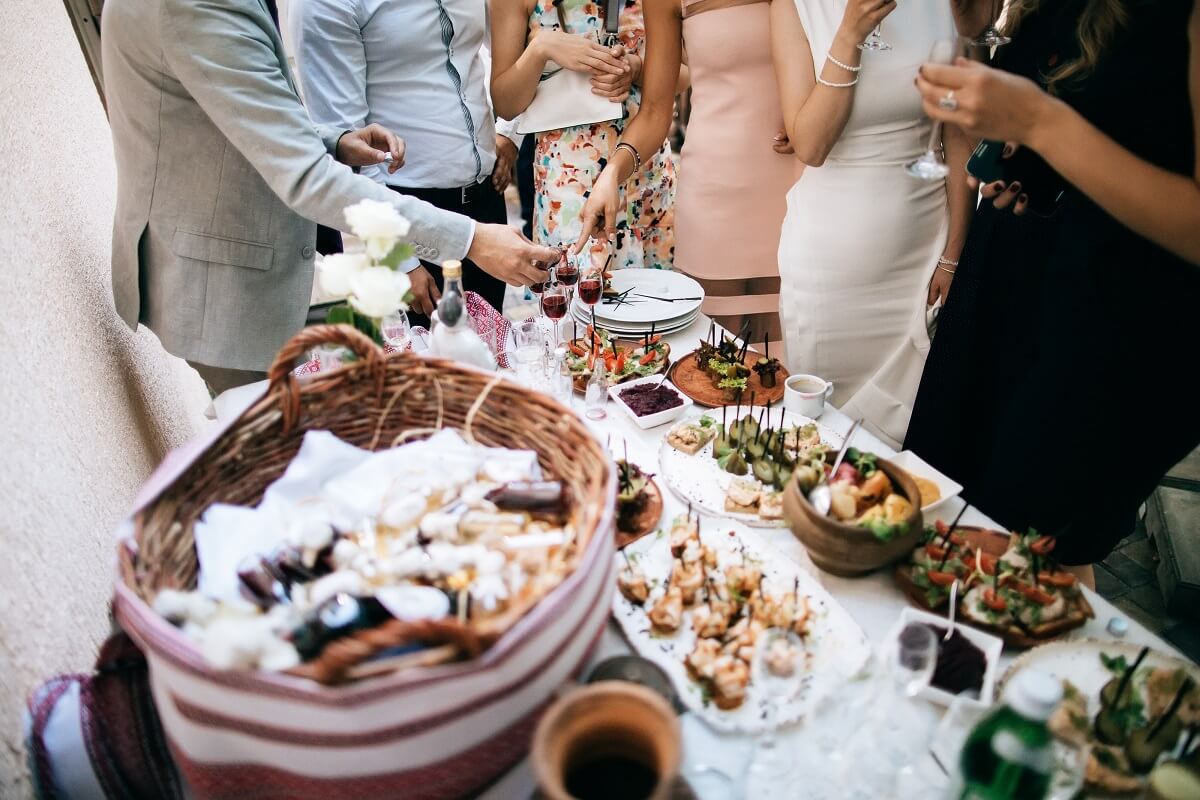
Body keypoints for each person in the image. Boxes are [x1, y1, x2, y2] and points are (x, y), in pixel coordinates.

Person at [101, 0, 555, 395]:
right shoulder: (200, 5)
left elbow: (246, 110)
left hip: (242, 272)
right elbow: (308, 178)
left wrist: (334, 140)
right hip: (218, 290)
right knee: (282, 460)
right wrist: (470, 240)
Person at [905, 0, 1200, 570]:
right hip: (1009, 287)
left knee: (1022, 559)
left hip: (1117, 329)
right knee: (943, 517)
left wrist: (1042, 124)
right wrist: (1033, 168)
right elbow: (1115, 136)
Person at [767, 0, 971, 448]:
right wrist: (850, 33)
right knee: (821, 441)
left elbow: (959, 135)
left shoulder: (948, 6)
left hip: (922, 259)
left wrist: (955, 254)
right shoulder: (792, 5)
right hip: (829, 274)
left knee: (916, 445)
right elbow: (811, 145)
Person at [289, 1, 526, 317]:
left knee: (492, 355)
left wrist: (510, 131)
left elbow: (511, 42)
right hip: (407, 217)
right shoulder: (324, 4)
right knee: (424, 362)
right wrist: (397, 257)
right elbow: (344, 140)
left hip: (487, 204)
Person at [491, 0, 680, 271]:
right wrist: (542, 47)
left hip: (648, 180)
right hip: (570, 193)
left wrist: (638, 69)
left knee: (660, 305)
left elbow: (684, 76)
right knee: (578, 305)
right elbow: (505, 104)